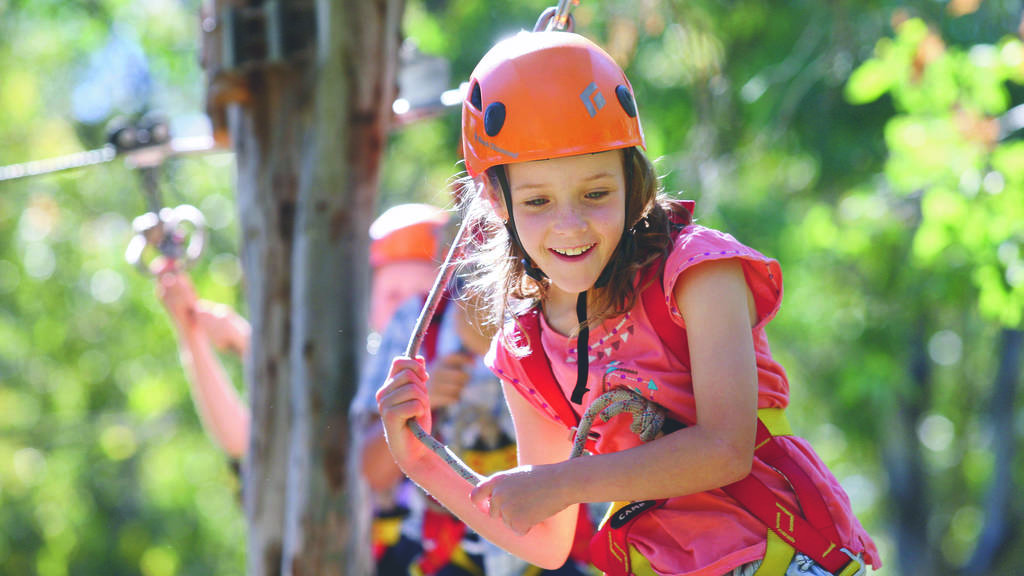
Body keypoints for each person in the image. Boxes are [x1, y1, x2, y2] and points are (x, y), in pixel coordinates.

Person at [375, 30, 881, 576]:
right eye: (537, 201)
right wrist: (422, 463)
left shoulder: (697, 273)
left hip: (781, 557)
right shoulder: (526, 349)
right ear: (498, 201)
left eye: (596, 193)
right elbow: (547, 540)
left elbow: (724, 449)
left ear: (632, 180)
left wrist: (562, 482)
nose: (570, 226)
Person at [353, 248, 596, 576]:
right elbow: (369, 471)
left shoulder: (573, 311)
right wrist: (421, 400)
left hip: (556, 553)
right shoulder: (418, 320)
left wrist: (514, 368)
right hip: (445, 555)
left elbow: (603, 436)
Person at [155, 203, 449, 462]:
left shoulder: (470, 359)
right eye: (394, 296)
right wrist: (191, 332)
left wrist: (247, 343)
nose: (409, 313)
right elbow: (242, 437)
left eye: (423, 297)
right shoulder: (357, 376)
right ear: (368, 300)